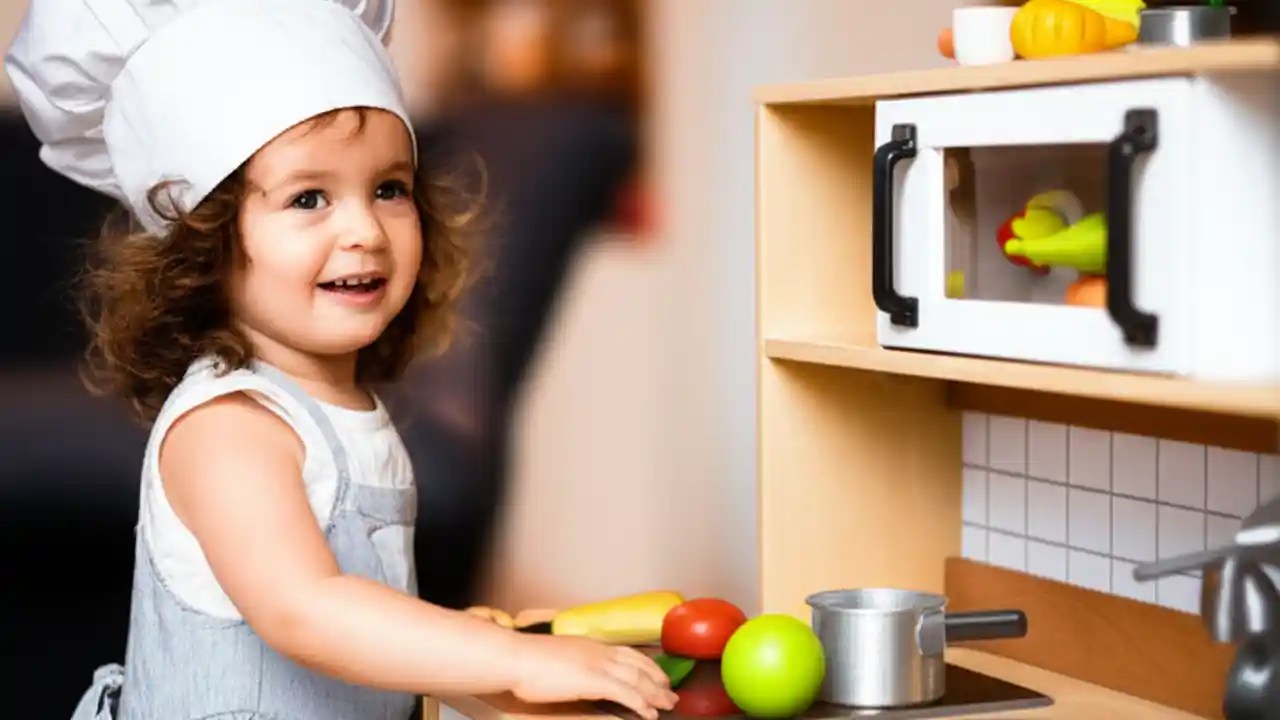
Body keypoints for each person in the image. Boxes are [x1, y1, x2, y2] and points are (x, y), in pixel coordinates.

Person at [3, 1, 676, 718]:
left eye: (389, 188)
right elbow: (306, 607)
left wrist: (476, 655)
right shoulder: (228, 429)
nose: (364, 229)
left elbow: (362, 622)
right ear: (204, 245)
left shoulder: (348, 410)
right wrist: (511, 656)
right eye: (309, 197)